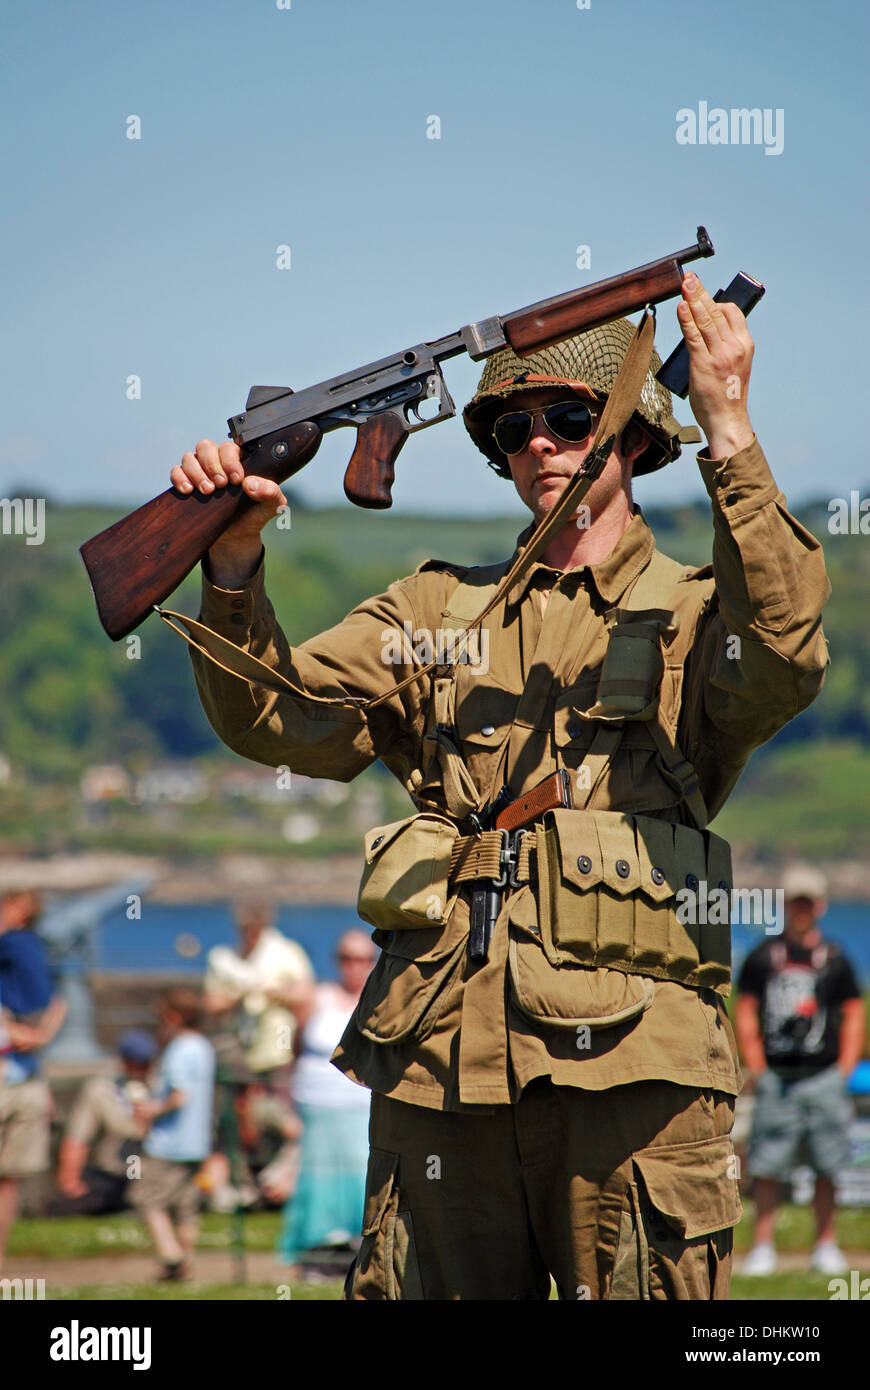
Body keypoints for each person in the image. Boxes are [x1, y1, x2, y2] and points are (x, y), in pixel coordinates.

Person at [168, 273, 830, 1299]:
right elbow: (281, 717)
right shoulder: (434, 606)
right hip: (439, 1062)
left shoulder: (700, 614)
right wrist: (233, 565)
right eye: (512, 427)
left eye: (570, 417)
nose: (540, 444)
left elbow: (787, 650)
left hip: (635, 1078)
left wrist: (731, 431)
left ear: (638, 440)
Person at [736, 864, 865, 1276]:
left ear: (820, 906)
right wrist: (756, 1064)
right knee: (768, 1165)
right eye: (795, 902)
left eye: (808, 902)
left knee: (828, 1165)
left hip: (823, 1077)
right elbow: (745, 1009)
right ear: (785, 905)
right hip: (778, 1078)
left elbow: (852, 1012)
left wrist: (844, 1067)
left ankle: (826, 1245)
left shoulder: (836, 959)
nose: (802, 910)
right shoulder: (762, 956)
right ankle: (763, 1247)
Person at [277, 929, 376, 1273]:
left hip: (361, 1103)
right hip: (316, 1102)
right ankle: (315, 1247)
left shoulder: (380, 999)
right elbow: (294, 1046)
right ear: (337, 962)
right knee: (317, 1175)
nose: (356, 967)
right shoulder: (316, 997)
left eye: (364, 959)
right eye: (348, 958)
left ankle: (358, 1244)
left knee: (361, 1172)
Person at [128, 987, 215, 1281]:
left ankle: (171, 1255)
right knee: (185, 1207)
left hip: (169, 1143)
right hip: (197, 1142)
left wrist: (150, 1110)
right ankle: (183, 1265)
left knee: (145, 1197)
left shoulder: (179, 1049)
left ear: (173, 1016)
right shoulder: (204, 1046)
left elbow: (179, 1096)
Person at [0, 890, 67, 1269]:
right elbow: (53, 1006)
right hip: (24, 1074)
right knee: (10, 1178)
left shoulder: (16, 945)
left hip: (19, 1075)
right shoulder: (29, 949)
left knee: (9, 1176)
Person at [202, 898, 314, 1085]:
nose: (252, 933)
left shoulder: (287, 951)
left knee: (279, 1100)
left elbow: (305, 994)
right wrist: (238, 995)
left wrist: (275, 994)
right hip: (237, 1049)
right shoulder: (223, 958)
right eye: (247, 927)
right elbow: (210, 1003)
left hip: (279, 1047)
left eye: (257, 926)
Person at [52, 1030, 158, 1216]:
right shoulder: (102, 1090)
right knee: (64, 1207)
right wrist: (70, 1180)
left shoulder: (163, 1088)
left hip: (152, 1172)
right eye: (134, 1062)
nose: (139, 1069)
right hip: (112, 1175)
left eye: (144, 1063)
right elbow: (78, 1138)